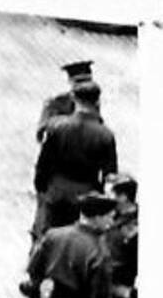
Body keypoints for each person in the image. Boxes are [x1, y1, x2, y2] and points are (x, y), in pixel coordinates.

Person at [31, 81, 117, 248]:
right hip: (85, 194)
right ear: (97, 102)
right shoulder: (106, 135)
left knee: (48, 237)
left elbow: (44, 162)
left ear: (74, 100)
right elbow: (110, 173)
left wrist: (41, 187)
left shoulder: (57, 127)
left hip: (56, 191)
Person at [36, 59, 95, 142]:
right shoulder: (55, 104)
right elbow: (41, 135)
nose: (83, 87)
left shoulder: (93, 104)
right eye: (79, 82)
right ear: (71, 83)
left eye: (87, 83)